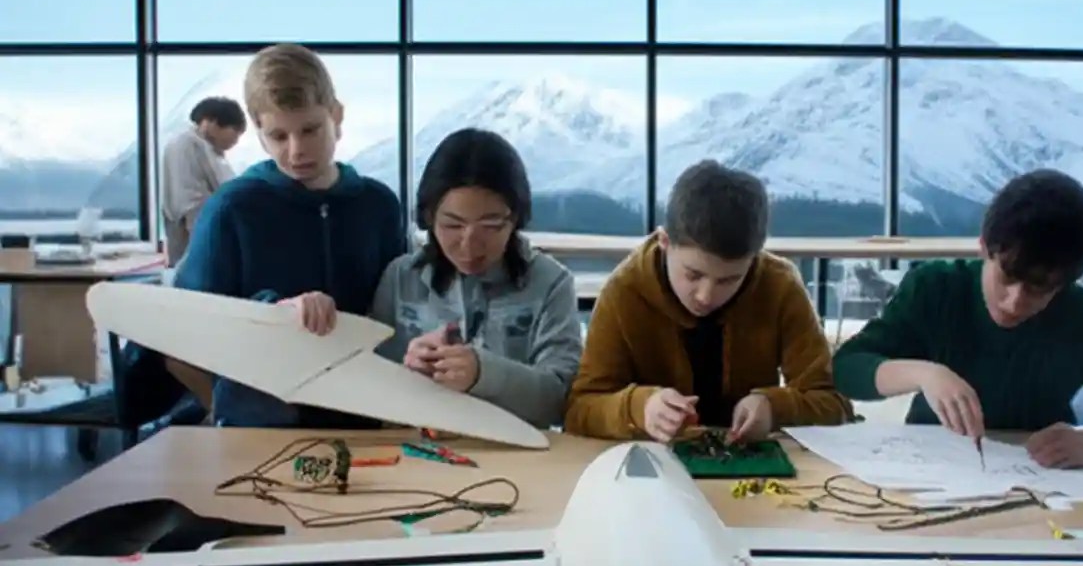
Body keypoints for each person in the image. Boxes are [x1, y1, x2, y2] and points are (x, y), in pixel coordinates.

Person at [832, 168, 1083, 467]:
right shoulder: (936, 289)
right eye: (1006, 277)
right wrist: (923, 373)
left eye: (1040, 289)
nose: (1015, 301)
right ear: (985, 246)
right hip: (932, 463)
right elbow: (848, 368)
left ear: (1067, 282)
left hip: (1042, 472)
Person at [173, 43, 406, 429]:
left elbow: (399, 315)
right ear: (259, 133)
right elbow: (186, 336)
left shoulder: (379, 206)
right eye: (279, 136)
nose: (297, 150)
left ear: (337, 115)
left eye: (310, 129)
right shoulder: (231, 209)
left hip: (365, 422)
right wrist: (272, 315)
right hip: (259, 429)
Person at [564, 159, 852, 443]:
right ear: (664, 242)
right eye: (693, 275)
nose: (706, 296)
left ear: (755, 259)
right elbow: (579, 410)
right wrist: (639, 408)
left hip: (753, 470)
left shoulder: (780, 285)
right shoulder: (624, 291)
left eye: (729, 280)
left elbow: (833, 404)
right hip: (654, 471)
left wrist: (775, 407)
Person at [365, 127, 583, 429]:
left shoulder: (550, 283)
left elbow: (562, 401)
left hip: (519, 460)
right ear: (429, 218)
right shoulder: (402, 277)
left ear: (516, 218)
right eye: (452, 225)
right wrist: (409, 370)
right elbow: (367, 393)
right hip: (414, 457)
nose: (469, 245)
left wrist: (484, 373)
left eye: (491, 225)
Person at [160, 96, 245, 268]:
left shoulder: (208, 149)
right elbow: (191, 205)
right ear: (210, 122)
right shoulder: (185, 146)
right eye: (235, 131)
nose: (236, 140)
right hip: (198, 248)